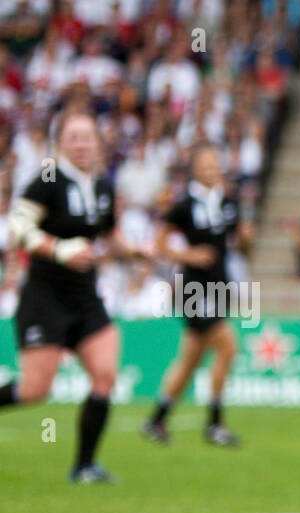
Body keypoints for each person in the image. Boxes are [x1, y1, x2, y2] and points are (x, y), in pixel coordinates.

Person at [1, 110, 139, 483]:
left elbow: (109, 237)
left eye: (87, 137)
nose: (81, 144)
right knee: (34, 391)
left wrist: (136, 251)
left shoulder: (103, 187)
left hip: (85, 296)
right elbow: (18, 227)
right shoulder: (48, 178)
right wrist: (59, 249)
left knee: (105, 376)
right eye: (73, 137)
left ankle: (84, 466)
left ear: (98, 142)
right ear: (60, 142)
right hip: (44, 297)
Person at [141, 143, 253, 447]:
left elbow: (240, 245)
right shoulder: (184, 204)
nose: (211, 168)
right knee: (228, 348)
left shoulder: (228, 201)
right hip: (194, 289)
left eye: (214, 162)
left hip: (220, 286)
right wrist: (189, 255)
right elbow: (159, 244)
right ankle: (214, 424)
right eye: (205, 163)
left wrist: (244, 239)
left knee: (190, 359)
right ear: (195, 168)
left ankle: (156, 420)